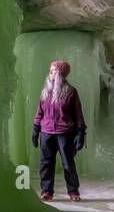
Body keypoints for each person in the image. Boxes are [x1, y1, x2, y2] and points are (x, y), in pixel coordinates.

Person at [31, 59, 87, 202]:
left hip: (65, 133)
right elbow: (39, 112)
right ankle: (46, 191)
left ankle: (73, 191)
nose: (49, 73)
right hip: (46, 132)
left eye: (53, 70)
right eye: (50, 70)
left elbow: (78, 114)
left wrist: (81, 132)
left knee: (68, 163)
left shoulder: (71, 92)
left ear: (60, 74)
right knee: (46, 163)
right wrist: (36, 128)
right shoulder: (45, 92)